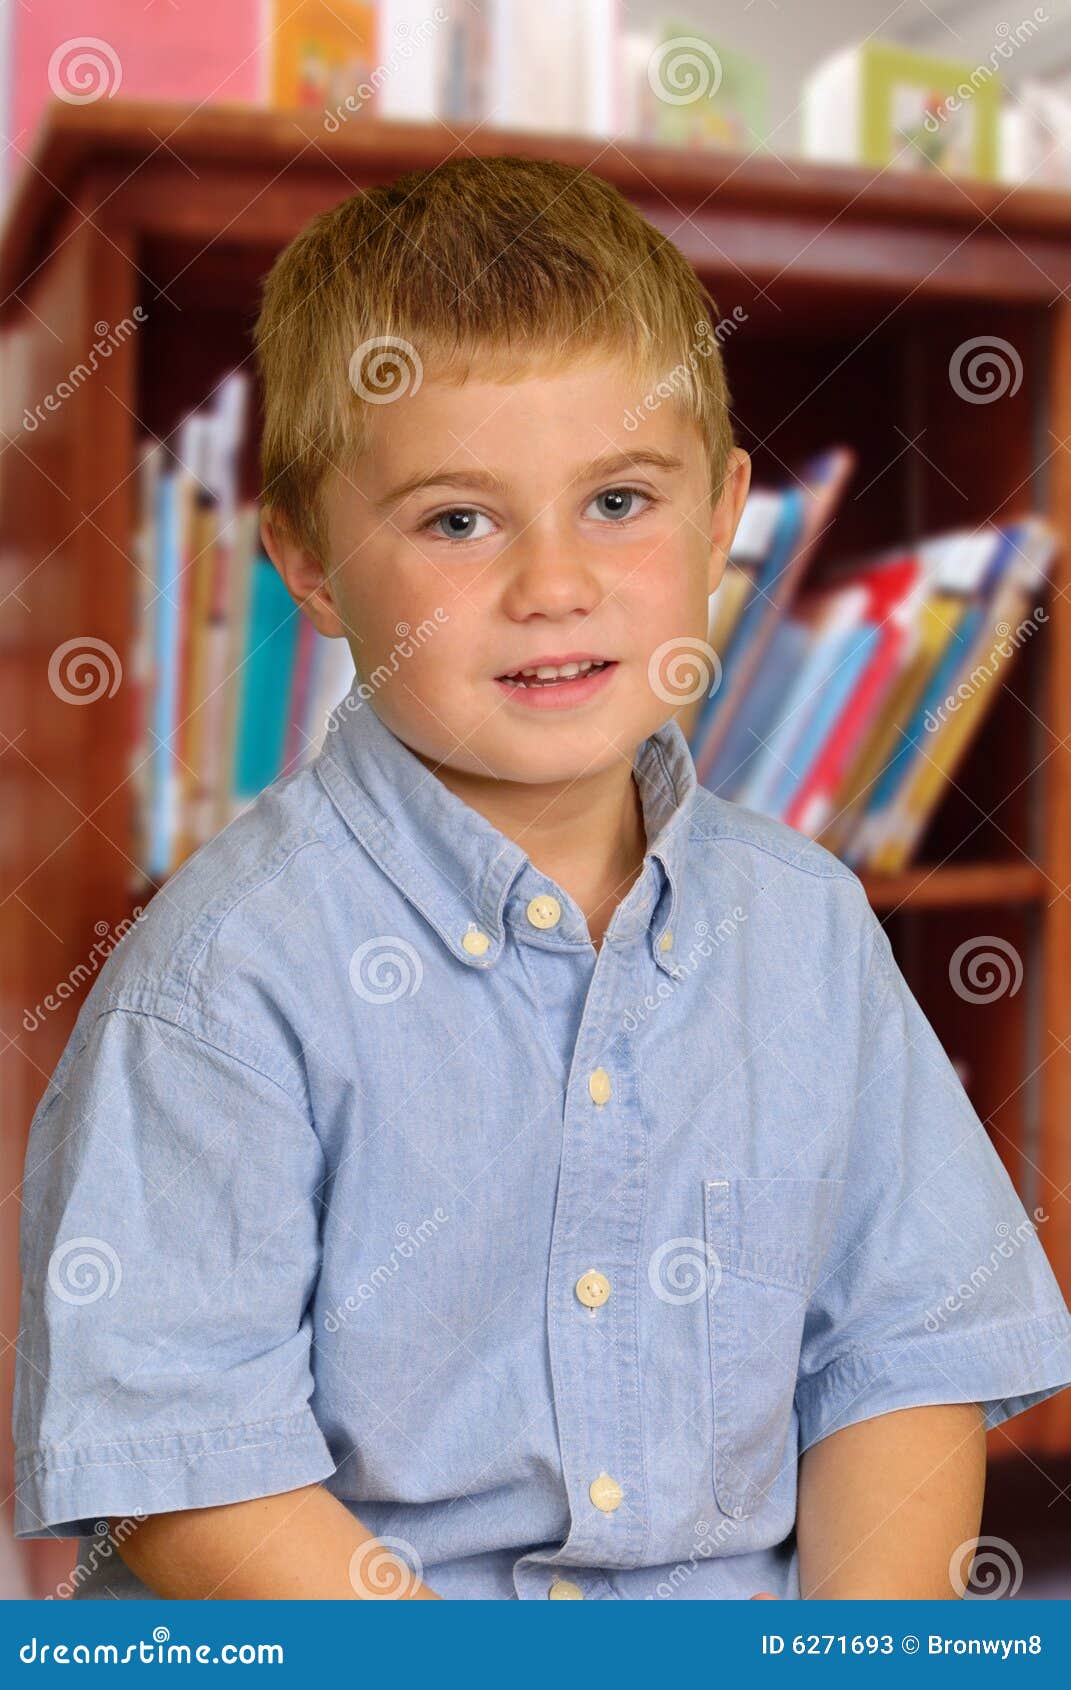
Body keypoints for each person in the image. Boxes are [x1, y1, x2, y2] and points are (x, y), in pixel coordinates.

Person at [13, 154, 1071, 1601]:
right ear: (308, 560)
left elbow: (905, 1357)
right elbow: (193, 1473)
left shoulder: (808, 929)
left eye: (622, 500)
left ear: (722, 522)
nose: (553, 584)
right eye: (459, 519)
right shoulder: (227, 976)